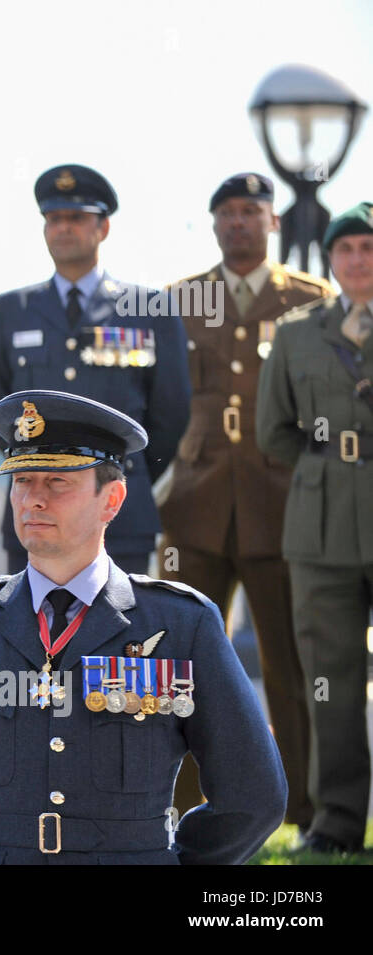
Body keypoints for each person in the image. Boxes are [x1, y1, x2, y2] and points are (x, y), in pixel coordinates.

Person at [0, 389, 286, 864]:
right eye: (22, 480)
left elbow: (253, 795)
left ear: (113, 499)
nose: (33, 499)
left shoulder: (183, 624)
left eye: (57, 481)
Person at [158, 172, 331, 830]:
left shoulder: (310, 300)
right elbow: (160, 404)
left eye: (251, 211)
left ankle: (300, 811)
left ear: (274, 221)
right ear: (213, 223)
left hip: (278, 505)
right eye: (226, 211)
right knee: (176, 664)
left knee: (290, 664)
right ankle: (181, 807)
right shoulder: (181, 300)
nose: (238, 222)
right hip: (193, 507)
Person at [0, 164, 191, 575]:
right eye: (54, 219)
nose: (63, 228)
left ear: (103, 227)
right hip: (34, 514)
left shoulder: (150, 309)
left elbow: (171, 412)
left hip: (119, 511)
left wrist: (120, 473)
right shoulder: (11, 310)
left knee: (121, 633)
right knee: (32, 631)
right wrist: (38, 473)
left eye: (76, 218)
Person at [257, 201, 373, 854]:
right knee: (327, 678)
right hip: (320, 527)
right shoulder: (298, 331)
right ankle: (336, 821)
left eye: (368, 247)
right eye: (346, 248)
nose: (358, 260)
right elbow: (275, 429)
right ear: (330, 258)